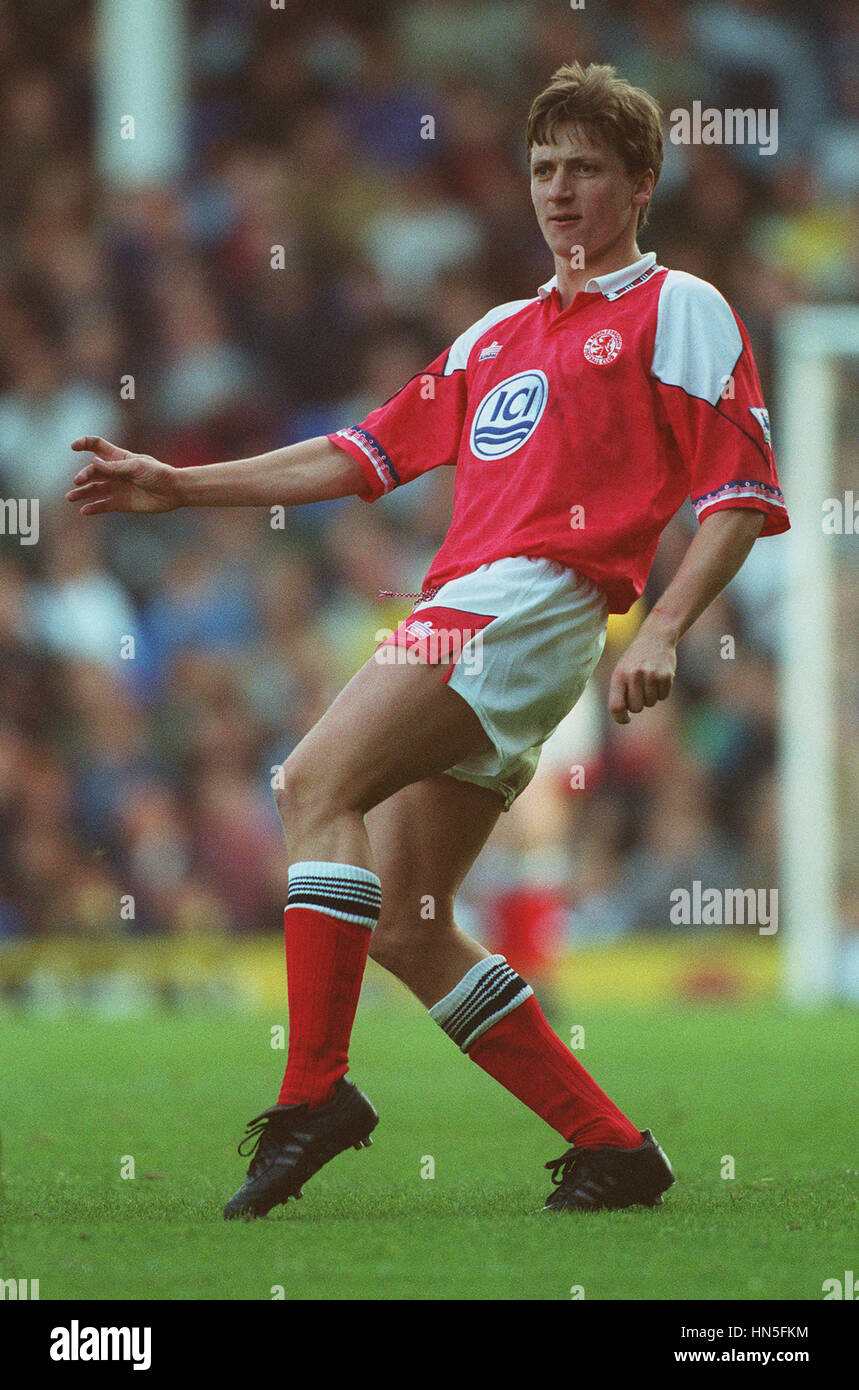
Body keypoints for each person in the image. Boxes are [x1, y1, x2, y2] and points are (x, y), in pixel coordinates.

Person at [67, 62, 789, 1217]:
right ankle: (614, 1149)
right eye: (544, 168)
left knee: (310, 779)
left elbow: (743, 492)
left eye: (586, 169)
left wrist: (663, 627)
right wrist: (177, 483)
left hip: (529, 601)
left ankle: (314, 1096)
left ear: (640, 182)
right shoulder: (498, 331)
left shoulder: (678, 307)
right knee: (406, 922)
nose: (558, 191)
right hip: (476, 608)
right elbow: (357, 456)